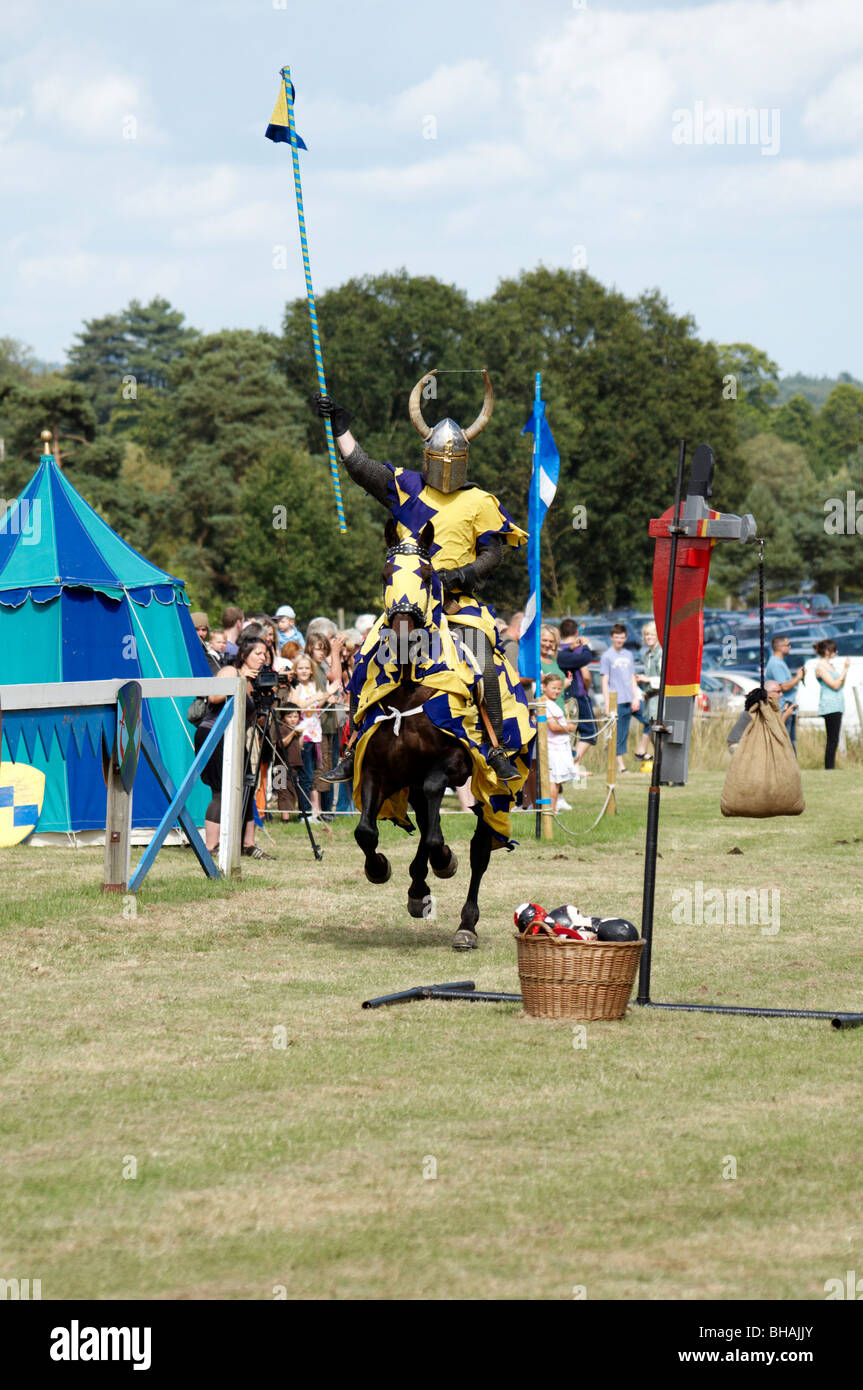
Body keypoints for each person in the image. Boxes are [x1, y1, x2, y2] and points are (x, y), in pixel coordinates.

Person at [314, 369, 527, 784]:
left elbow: (494, 554)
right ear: (427, 455)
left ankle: (496, 748)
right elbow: (362, 468)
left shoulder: (480, 500)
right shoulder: (407, 486)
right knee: (365, 660)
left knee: (484, 662)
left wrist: (459, 574)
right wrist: (342, 428)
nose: (446, 468)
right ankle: (352, 745)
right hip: (407, 604)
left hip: (456, 603)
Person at [193, 634, 274, 858]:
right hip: (214, 733)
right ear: (244, 655)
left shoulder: (254, 681)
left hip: (236, 737)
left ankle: (247, 844)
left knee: (247, 785)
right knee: (220, 790)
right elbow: (215, 697)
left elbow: (251, 720)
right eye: (258, 653)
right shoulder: (230, 671)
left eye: (265, 655)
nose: (262, 658)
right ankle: (211, 846)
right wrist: (240, 678)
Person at [600, 623, 641, 773]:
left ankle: (642, 751)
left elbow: (631, 677)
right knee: (620, 733)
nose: (619, 640)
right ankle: (620, 766)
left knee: (648, 719)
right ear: (611, 638)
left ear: (626, 638)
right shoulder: (607, 656)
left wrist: (636, 697)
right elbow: (605, 680)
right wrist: (607, 703)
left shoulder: (628, 654)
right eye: (616, 637)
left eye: (622, 637)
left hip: (630, 698)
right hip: (616, 700)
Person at [542, 672, 577, 812]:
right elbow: (554, 727)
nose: (557, 691)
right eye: (553, 688)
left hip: (560, 746)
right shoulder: (545, 704)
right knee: (553, 780)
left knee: (557, 782)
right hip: (553, 747)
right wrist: (569, 727)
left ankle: (553, 809)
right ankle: (551, 810)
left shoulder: (553, 704)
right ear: (544, 687)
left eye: (559, 688)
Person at [765, 634, 804, 751]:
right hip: (783, 707)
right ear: (780, 647)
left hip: (789, 707)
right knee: (786, 743)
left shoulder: (780, 662)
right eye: (787, 645)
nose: (790, 647)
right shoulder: (776, 664)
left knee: (791, 742)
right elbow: (784, 686)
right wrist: (798, 677)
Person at [814, 639, 849, 770]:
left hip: (837, 704)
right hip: (829, 705)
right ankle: (829, 767)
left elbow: (840, 684)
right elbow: (834, 685)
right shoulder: (820, 667)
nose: (836, 652)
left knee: (834, 739)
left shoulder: (831, 666)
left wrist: (844, 673)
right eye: (834, 650)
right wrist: (845, 669)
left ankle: (831, 766)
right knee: (832, 739)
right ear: (827, 651)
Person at [634, 621, 662, 759]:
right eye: (646, 635)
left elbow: (664, 679)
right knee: (653, 733)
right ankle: (660, 765)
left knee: (658, 735)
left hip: (659, 699)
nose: (648, 637)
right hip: (650, 698)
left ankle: (663, 766)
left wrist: (647, 680)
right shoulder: (647, 655)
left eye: (651, 634)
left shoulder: (660, 653)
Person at [272, 704, 304, 821]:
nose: (293, 719)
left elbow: (300, 747)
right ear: (283, 717)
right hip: (281, 766)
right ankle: (285, 819)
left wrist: (300, 736)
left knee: (292, 792)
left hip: (294, 766)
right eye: (290, 716)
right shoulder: (281, 728)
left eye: (296, 716)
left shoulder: (294, 730)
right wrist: (293, 733)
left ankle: (289, 817)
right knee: (282, 792)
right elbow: (281, 743)